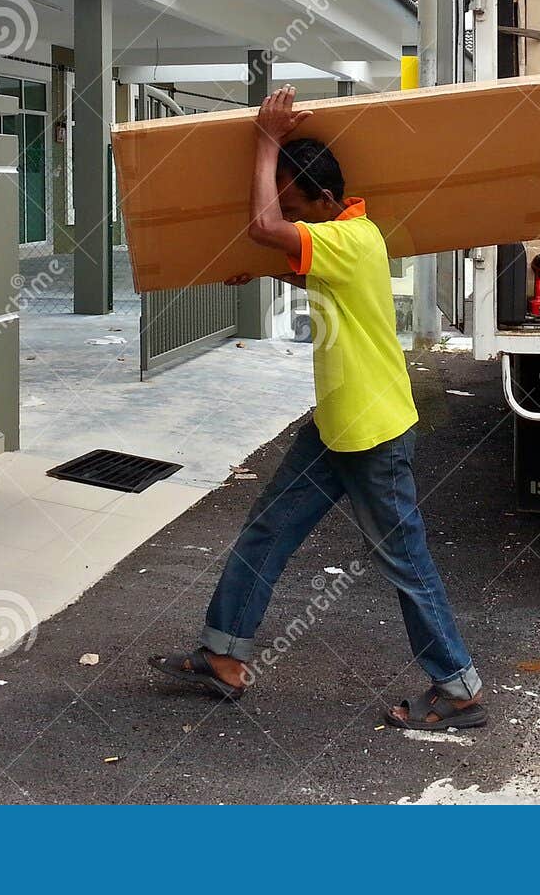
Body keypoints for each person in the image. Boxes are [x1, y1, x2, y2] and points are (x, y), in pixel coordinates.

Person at [149, 86, 486, 732]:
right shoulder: (346, 239)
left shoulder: (351, 237)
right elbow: (306, 268)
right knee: (267, 529)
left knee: (405, 562)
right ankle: (223, 654)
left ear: (326, 203)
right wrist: (268, 273)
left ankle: (460, 687)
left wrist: (266, 137)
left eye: (297, 207)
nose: (289, 221)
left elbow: (262, 229)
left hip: (373, 432)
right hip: (340, 424)